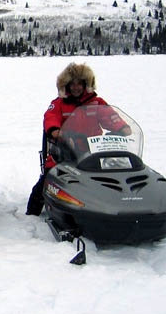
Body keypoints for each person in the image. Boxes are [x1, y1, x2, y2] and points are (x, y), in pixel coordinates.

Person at [25, 62, 130, 216]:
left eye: (79, 84)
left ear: (85, 84)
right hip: (64, 152)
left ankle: (117, 203)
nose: (76, 87)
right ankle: (32, 212)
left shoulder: (96, 103)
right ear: (66, 85)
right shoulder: (59, 104)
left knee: (113, 174)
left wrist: (122, 128)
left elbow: (110, 116)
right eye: (72, 84)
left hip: (93, 151)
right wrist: (56, 132)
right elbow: (50, 118)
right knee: (47, 178)